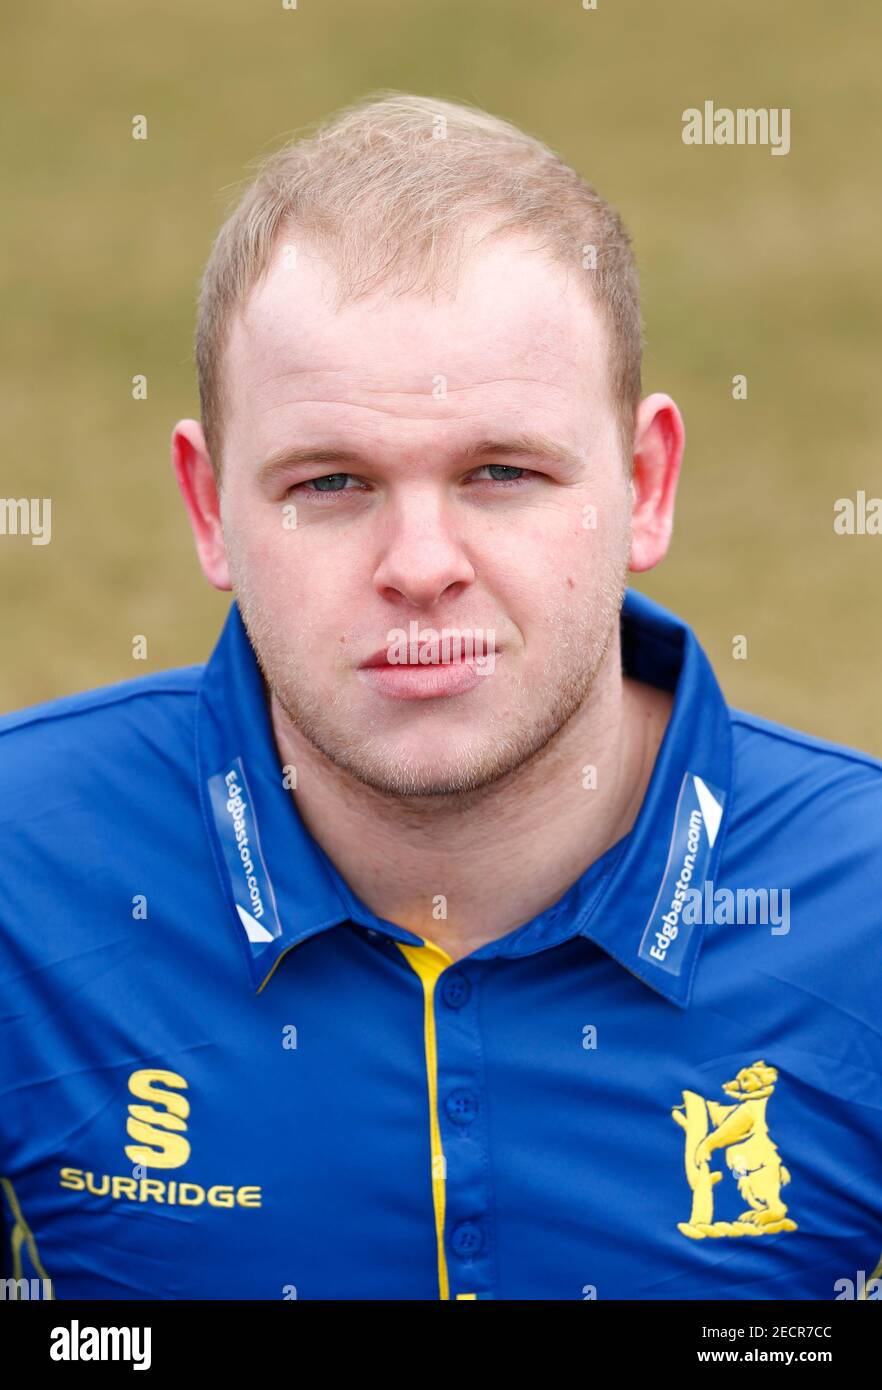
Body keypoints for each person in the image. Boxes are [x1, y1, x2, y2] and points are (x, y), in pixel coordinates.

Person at [1, 91, 880, 1302]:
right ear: (211, 510)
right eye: (331, 483)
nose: (421, 564)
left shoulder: (865, 914)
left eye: (502, 472)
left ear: (645, 483)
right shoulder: (20, 884)